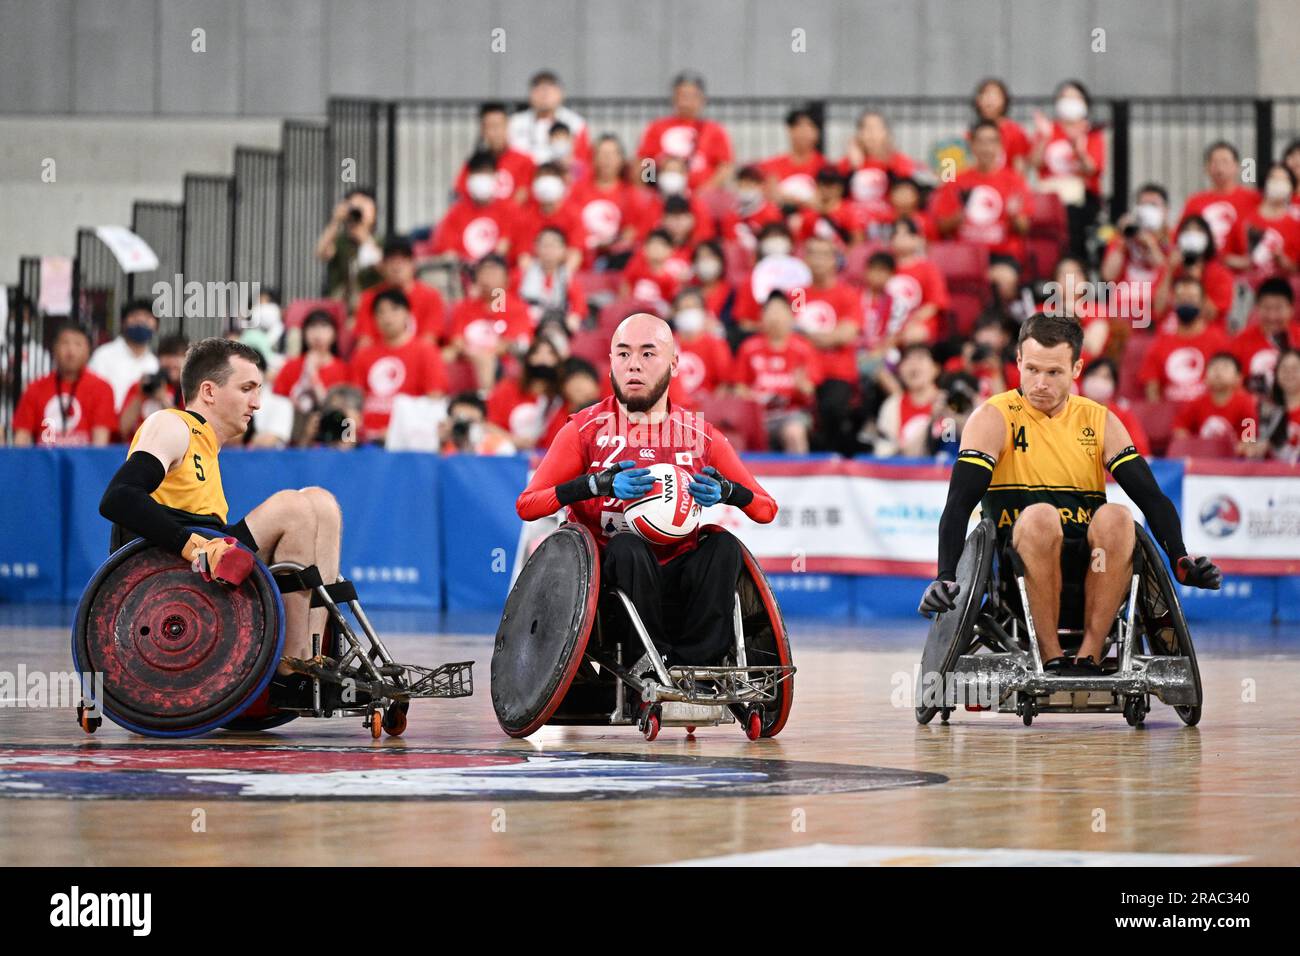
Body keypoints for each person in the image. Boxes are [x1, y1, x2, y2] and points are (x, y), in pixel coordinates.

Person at [920, 315, 1222, 676]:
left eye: (1054, 373)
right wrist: (945, 574)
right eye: (1031, 369)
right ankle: (1051, 657)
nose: (1040, 383)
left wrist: (1180, 558)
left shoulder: (1099, 419)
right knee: (1041, 516)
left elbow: (1152, 498)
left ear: (1076, 368)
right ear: (1017, 361)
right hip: (1016, 566)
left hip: (1091, 564)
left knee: (1118, 516)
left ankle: (1088, 657)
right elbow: (958, 504)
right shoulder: (992, 418)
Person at [97, 338, 349, 708]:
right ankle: (289, 671)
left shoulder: (209, 450)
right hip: (169, 575)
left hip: (203, 567)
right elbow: (118, 497)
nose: (257, 403)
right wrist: (194, 545)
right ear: (209, 392)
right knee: (292, 507)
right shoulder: (172, 424)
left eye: (259, 391)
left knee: (322, 503)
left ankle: (308, 659)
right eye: (247, 389)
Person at [515, 312, 776, 668]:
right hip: (608, 585)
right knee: (627, 546)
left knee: (723, 546)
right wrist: (593, 484)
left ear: (674, 363)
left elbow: (765, 510)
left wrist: (729, 491)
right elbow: (528, 505)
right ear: (610, 364)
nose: (633, 365)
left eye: (647, 354)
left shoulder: (700, 435)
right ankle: (651, 665)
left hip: (680, 581)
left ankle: (698, 667)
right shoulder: (584, 430)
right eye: (623, 354)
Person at [349, 289, 449, 443]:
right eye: (380, 312)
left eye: (394, 310)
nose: (387, 317)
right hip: (367, 439)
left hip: (408, 439)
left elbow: (434, 400)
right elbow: (354, 400)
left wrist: (399, 431)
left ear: (408, 314)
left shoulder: (426, 351)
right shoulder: (363, 355)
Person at [933, 119, 1030, 270]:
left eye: (991, 142)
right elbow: (941, 227)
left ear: (1000, 146)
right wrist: (959, 216)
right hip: (964, 252)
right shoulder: (955, 181)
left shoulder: (1015, 181)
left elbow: (1024, 228)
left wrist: (1014, 215)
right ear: (971, 145)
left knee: (1004, 279)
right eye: (981, 142)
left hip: (1001, 254)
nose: (986, 148)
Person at [732, 291, 822, 453]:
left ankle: (800, 476)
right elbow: (739, 388)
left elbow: (811, 389)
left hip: (791, 413)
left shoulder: (803, 348)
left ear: (790, 317)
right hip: (758, 415)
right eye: (770, 312)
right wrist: (753, 398)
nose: (775, 318)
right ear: (762, 318)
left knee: (794, 432)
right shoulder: (749, 348)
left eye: (780, 312)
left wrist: (801, 386)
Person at [1029, 79, 1105, 261]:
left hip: (1081, 198)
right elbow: (1035, 163)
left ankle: (1073, 264)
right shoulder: (1048, 129)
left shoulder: (1091, 133)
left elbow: (1093, 169)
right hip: (1050, 195)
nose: (1069, 102)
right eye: (1064, 97)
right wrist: (1044, 138)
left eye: (1074, 98)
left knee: (1071, 218)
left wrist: (1079, 151)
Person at [12, 323, 116, 447]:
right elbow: (21, 439)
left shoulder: (101, 388)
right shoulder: (35, 388)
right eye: (65, 343)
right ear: (54, 349)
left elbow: (100, 443)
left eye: (78, 344)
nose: (70, 351)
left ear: (88, 351)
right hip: (44, 463)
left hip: (85, 463)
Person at [1140, 275, 1230, 403]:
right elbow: (1152, 390)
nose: (1186, 302)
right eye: (1181, 298)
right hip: (1169, 414)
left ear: (1202, 302)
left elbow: (1228, 386)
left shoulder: (1218, 340)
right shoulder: (1161, 343)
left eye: (1192, 298)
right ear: (1173, 301)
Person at [637, 72, 733, 191]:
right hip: (662, 197)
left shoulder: (714, 130)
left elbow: (724, 166)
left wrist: (705, 191)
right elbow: (647, 160)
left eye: (691, 96)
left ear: (701, 99)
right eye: (681, 95)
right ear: (674, 98)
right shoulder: (657, 127)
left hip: (700, 198)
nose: (685, 101)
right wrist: (651, 188)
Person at [352, 237, 447, 348]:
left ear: (413, 264)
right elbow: (364, 343)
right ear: (382, 266)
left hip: (417, 361)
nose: (397, 267)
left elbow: (429, 342)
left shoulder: (431, 296)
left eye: (403, 260)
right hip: (381, 360)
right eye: (391, 261)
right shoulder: (369, 298)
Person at [1178, 140, 1261, 257]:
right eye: (1214, 162)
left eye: (1225, 162)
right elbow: (1180, 236)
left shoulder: (1254, 199)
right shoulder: (1194, 201)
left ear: (1236, 166)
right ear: (1206, 168)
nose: (1220, 168)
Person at [1171, 352, 1257, 454]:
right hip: (1203, 456)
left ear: (1238, 378)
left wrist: (1239, 448)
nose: (1218, 372)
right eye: (1213, 367)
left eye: (1225, 367)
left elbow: (1249, 439)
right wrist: (1193, 446)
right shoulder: (1196, 402)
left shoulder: (1246, 403)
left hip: (1235, 459)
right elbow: (1180, 428)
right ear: (1205, 377)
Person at [454, 101, 535, 204]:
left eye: (499, 125)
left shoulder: (525, 161)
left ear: (508, 126)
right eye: (491, 126)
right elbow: (461, 195)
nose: (496, 132)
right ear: (483, 130)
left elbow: (524, 197)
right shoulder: (475, 163)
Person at [507, 70, 591, 167]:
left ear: (561, 93)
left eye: (549, 87)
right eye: (538, 87)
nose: (544, 93)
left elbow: (582, 163)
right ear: (530, 94)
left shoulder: (576, 124)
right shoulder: (515, 123)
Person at [89, 299, 161, 412]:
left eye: (147, 317)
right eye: (135, 316)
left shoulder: (154, 363)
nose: (140, 321)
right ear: (123, 322)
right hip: (106, 424)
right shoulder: (103, 355)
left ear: (156, 326)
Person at [314, 187, 382, 304]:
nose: (358, 210)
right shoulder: (340, 241)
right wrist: (336, 221)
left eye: (363, 205)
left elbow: (381, 266)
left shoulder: (381, 241)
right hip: (340, 303)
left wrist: (362, 236)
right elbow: (321, 253)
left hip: (371, 302)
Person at [1233, 277, 1300, 392]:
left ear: (1291, 308)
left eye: (1278, 308)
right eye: (1267, 308)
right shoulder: (1239, 341)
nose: (1272, 316)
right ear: (1257, 308)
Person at [118, 333, 189, 441]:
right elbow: (123, 429)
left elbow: (190, 431)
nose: (170, 362)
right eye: (166, 356)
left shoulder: (193, 390)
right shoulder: (143, 385)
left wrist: (163, 400)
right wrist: (140, 395)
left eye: (176, 356)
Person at [970, 77, 1030, 172]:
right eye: (985, 94)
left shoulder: (1015, 131)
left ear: (1004, 100)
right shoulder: (970, 132)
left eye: (994, 95)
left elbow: (1019, 166)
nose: (989, 100)